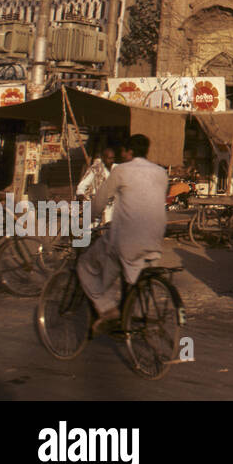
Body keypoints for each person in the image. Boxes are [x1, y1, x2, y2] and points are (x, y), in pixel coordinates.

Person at [77, 135, 167, 325]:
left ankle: (106, 309)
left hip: (126, 241)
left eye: (123, 152)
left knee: (86, 266)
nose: (120, 156)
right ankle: (125, 314)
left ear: (130, 152)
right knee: (120, 268)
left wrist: (84, 221)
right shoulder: (160, 172)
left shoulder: (121, 171)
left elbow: (99, 202)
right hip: (155, 240)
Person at [77, 146, 118, 225]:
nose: (111, 160)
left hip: (113, 204)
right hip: (98, 203)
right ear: (103, 158)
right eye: (109, 158)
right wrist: (80, 194)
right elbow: (83, 184)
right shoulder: (95, 169)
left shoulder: (117, 168)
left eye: (113, 158)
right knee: (95, 228)